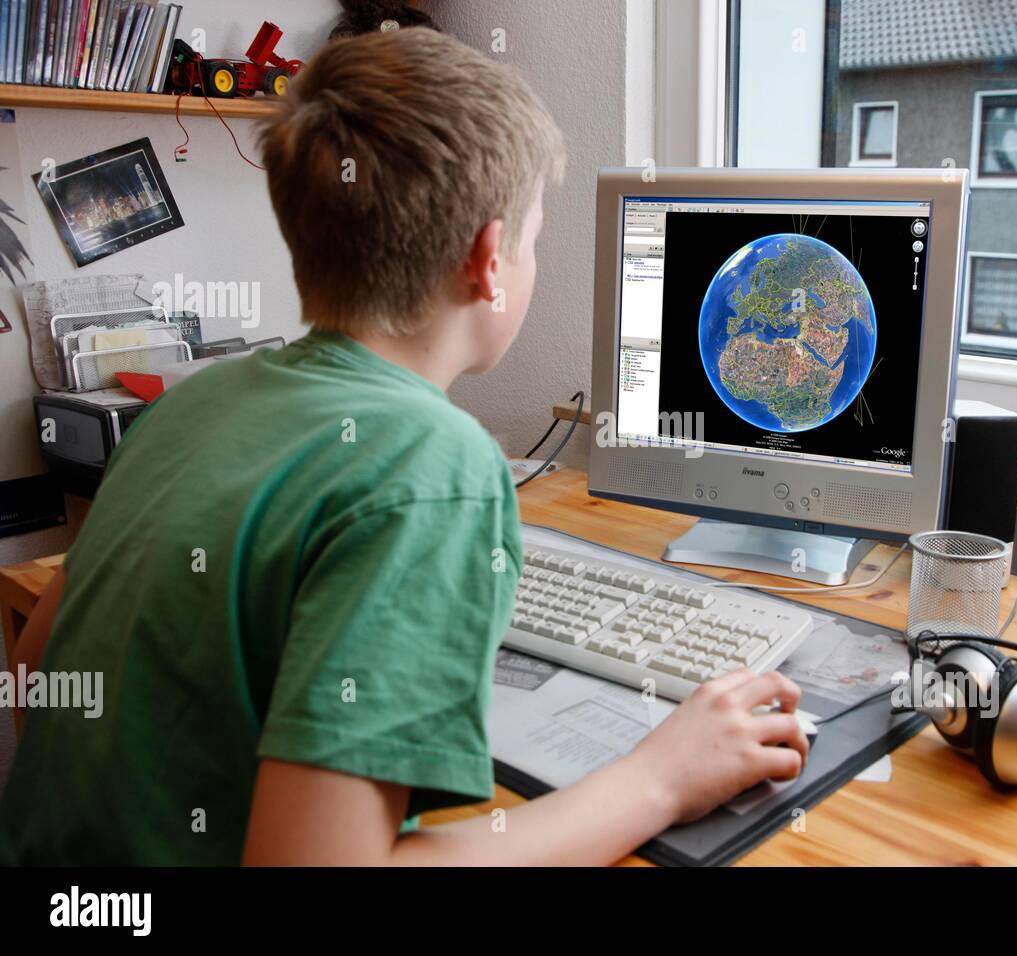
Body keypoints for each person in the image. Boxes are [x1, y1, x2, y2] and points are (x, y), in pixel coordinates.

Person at [0, 28, 807, 866]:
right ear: (491, 259)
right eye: (533, 236)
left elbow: (35, 673)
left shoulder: (189, 404)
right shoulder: (436, 468)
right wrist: (659, 780)